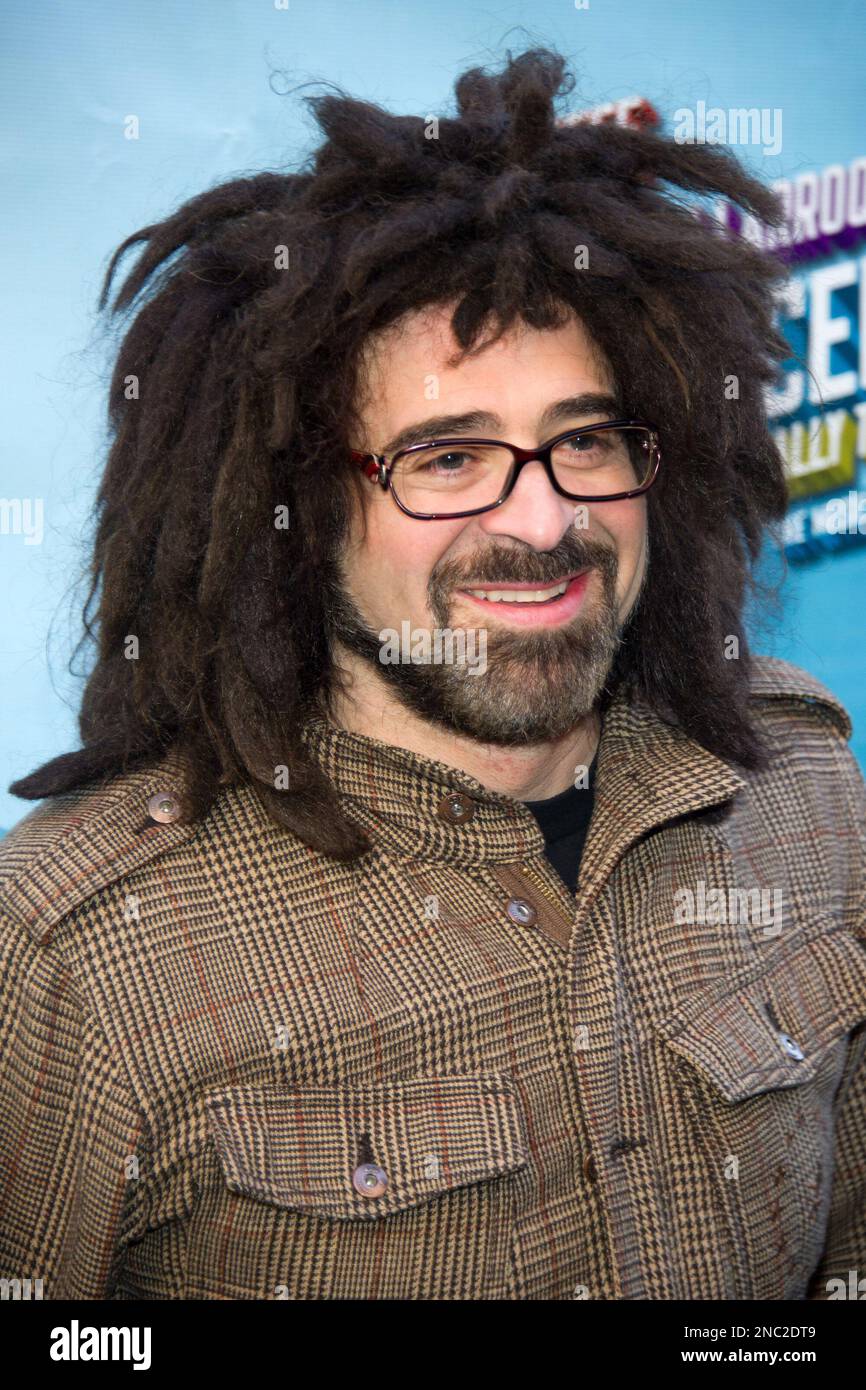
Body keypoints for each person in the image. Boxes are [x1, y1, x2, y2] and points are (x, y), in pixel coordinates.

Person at [1, 47, 864, 1302]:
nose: (538, 521)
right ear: (288, 508)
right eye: (446, 459)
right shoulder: (74, 955)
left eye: (583, 439)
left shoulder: (800, 780)